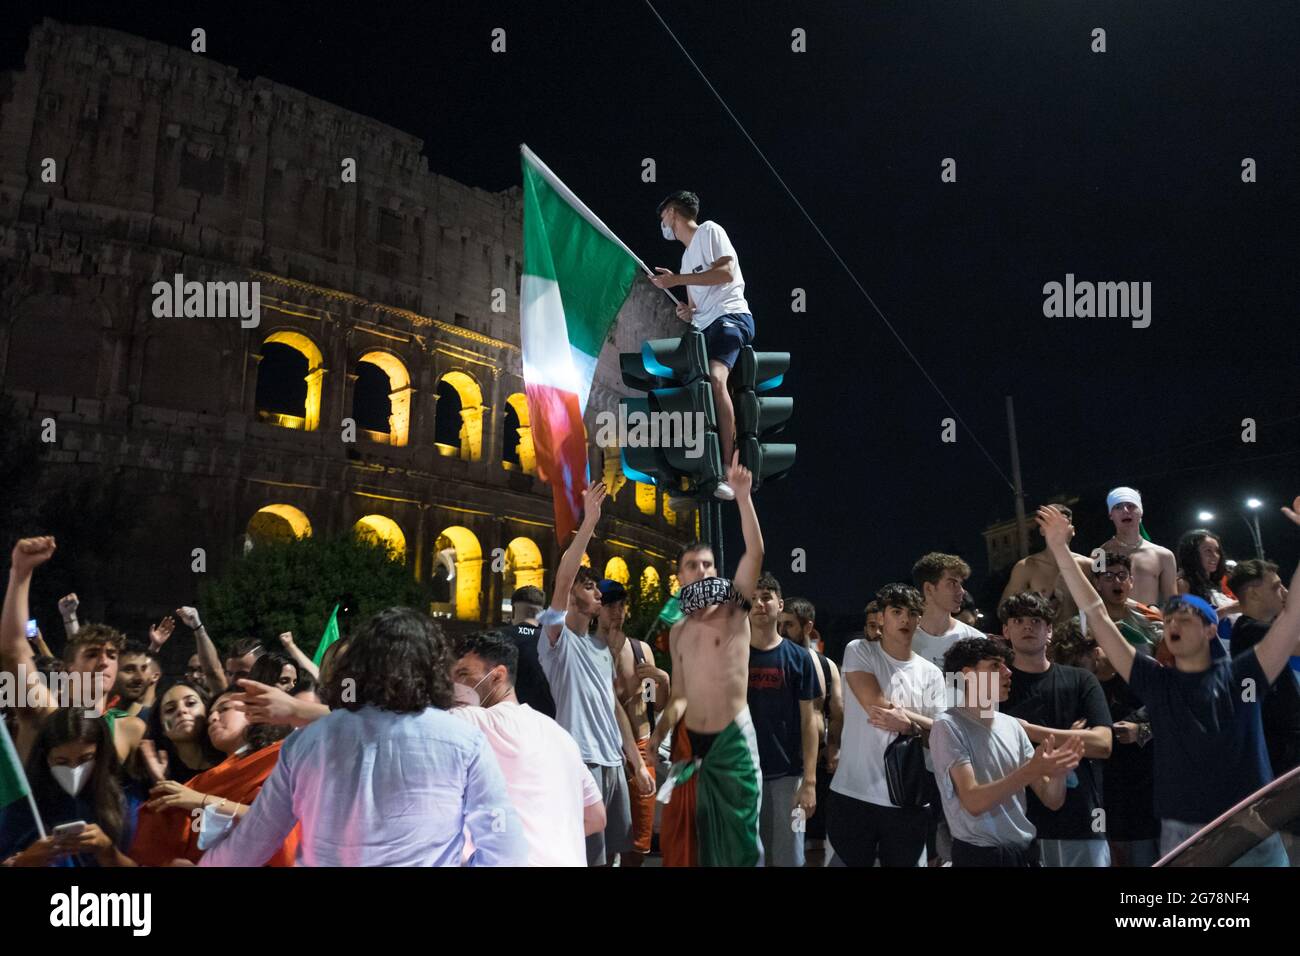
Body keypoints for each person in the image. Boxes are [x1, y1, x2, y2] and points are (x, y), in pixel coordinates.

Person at [1040, 500, 1300, 865]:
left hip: (1250, 825)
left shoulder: (1245, 674)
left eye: (1186, 618)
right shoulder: (1154, 680)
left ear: (1211, 629)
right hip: (1185, 833)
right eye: (1170, 619)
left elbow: (1291, 619)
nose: (1173, 624)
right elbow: (1095, 612)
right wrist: (1060, 549)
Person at [200, 607, 525, 866]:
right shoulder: (464, 741)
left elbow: (253, 840)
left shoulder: (308, 742)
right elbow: (504, 846)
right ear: (435, 668)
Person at [653, 453, 765, 866]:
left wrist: (742, 496)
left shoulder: (734, 611)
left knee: (738, 846)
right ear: (679, 576)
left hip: (731, 742)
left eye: (707, 565)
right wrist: (657, 735)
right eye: (691, 566)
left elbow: (754, 552)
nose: (700, 572)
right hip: (689, 747)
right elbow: (679, 695)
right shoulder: (678, 630)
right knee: (691, 846)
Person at [537, 482, 651, 866]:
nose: (599, 593)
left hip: (613, 762)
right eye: (590, 587)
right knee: (588, 857)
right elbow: (564, 577)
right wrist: (589, 522)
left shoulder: (602, 649)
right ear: (572, 596)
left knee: (615, 855)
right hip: (581, 760)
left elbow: (613, 708)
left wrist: (634, 761)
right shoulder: (557, 640)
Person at [450, 631, 606, 867]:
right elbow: (596, 818)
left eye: (463, 675)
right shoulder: (561, 736)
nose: (455, 686)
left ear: (497, 676)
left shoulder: (474, 721)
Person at [930, 636, 1084, 867]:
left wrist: (1058, 771)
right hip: (981, 858)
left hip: (1025, 855)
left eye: (1005, 665)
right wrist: (1033, 770)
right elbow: (973, 801)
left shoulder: (1013, 726)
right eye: (994, 666)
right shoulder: (948, 725)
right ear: (967, 675)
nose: (1007, 672)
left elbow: (1052, 800)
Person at [829, 583, 947, 867]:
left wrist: (910, 727)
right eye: (897, 612)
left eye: (912, 613)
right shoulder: (860, 650)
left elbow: (942, 735)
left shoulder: (931, 672)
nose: (905, 619)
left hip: (907, 799)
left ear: (920, 619)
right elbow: (877, 706)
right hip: (854, 792)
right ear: (881, 618)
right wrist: (922, 724)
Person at [1, 537, 146, 764]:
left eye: (111, 655)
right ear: (68, 668)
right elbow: (13, 652)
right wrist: (20, 574)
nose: (103, 662)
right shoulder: (46, 714)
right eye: (91, 655)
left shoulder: (131, 728)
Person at [650, 189, 754, 498]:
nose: (663, 223)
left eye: (663, 216)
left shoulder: (710, 230)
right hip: (704, 326)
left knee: (714, 377)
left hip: (729, 318)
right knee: (664, 384)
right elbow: (696, 308)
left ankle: (724, 467)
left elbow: (724, 272)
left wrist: (678, 281)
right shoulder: (684, 258)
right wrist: (686, 312)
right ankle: (671, 473)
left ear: (673, 212)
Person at [998, 591, 1113, 867]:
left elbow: (1102, 744)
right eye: (1018, 620)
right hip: (1016, 827)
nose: (1027, 626)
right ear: (1005, 630)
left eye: (1036, 620)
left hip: (1081, 821)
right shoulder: (994, 686)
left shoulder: (1080, 680)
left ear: (1049, 630)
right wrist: (1072, 739)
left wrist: (1027, 730)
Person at [130, 686, 298, 866]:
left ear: (254, 711)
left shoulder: (281, 755)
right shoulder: (205, 781)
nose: (212, 718)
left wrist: (203, 800)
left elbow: (277, 821)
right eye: (210, 717)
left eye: (224, 709)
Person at [1050, 620, 1159, 867]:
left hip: (1148, 792)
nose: (1076, 672)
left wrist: (1142, 731)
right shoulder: (1075, 688)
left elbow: (1178, 717)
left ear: (1096, 651)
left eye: (1080, 664)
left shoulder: (1137, 673)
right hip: (1107, 796)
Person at [1226, 558, 1299, 864]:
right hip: (1276, 759)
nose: (1282, 591)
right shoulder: (1250, 631)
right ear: (1253, 594)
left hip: (1285, 752)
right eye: (1275, 585)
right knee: (1290, 843)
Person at [0, 709, 140, 867]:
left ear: (101, 754)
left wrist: (107, 851)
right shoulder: (23, 807)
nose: (74, 770)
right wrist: (25, 861)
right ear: (45, 757)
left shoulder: (125, 801)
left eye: (85, 759)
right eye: (61, 761)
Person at [746, 573, 818, 866]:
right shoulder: (731, 655)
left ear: (779, 603)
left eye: (766, 597)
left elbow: (809, 720)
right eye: (752, 599)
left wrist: (810, 781)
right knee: (749, 857)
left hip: (790, 775)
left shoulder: (800, 658)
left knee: (791, 857)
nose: (760, 604)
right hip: (743, 775)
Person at [596, 578, 668, 867]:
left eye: (621, 605)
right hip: (603, 749)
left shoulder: (641, 651)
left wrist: (661, 679)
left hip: (639, 746)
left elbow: (655, 703)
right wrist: (611, 658)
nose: (617, 611)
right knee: (602, 836)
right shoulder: (585, 649)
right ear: (596, 609)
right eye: (609, 605)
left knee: (637, 839)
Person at [779, 595, 842, 858]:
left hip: (816, 767)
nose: (782, 631)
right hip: (784, 763)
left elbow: (837, 712)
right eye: (779, 624)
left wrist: (835, 747)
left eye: (789, 625)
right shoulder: (774, 661)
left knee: (815, 839)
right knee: (789, 838)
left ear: (807, 627)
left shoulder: (826, 666)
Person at [998, 505, 1095, 623]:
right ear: (1042, 530)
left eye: (1063, 523)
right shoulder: (1027, 567)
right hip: (1042, 638)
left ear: (1072, 530)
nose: (1058, 529)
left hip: (1081, 638)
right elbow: (1003, 610)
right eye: (1052, 524)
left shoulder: (1088, 566)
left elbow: (1107, 608)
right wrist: (1032, 606)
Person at [1096, 487, 1177, 606]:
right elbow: (1096, 597)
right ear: (1111, 515)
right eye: (1118, 507)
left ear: (1141, 512)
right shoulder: (1101, 554)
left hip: (1153, 622)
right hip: (1113, 624)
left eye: (1131, 506)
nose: (1125, 510)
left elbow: (1172, 603)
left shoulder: (1163, 555)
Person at [911, 552, 985, 671]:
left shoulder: (976, 640)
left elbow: (990, 689)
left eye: (960, 584)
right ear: (929, 589)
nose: (961, 591)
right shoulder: (903, 641)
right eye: (952, 583)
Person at [140, 679, 224, 783]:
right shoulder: (154, 768)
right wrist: (160, 781)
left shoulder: (228, 757)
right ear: (161, 728)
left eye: (190, 703)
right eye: (170, 709)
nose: (181, 710)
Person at [1090, 552, 1163, 647]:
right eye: (1109, 577)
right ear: (1097, 583)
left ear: (1131, 581)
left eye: (1122, 576)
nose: (1117, 581)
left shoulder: (1146, 617)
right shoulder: (1087, 621)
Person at [503, 585, 555, 718]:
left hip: (509, 719)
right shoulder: (555, 642)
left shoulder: (499, 637)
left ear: (513, 610)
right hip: (548, 722)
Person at [1176, 529, 1238, 616]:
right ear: (1192, 554)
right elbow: (1186, 622)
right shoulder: (1183, 584)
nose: (1215, 556)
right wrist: (1226, 610)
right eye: (1208, 551)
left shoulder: (1217, 581)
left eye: (1217, 551)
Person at [113, 642, 163, 722]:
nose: (140, 677)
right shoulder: (96, 710)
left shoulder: (154, 720)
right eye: (129, 669)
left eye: (143, 669)